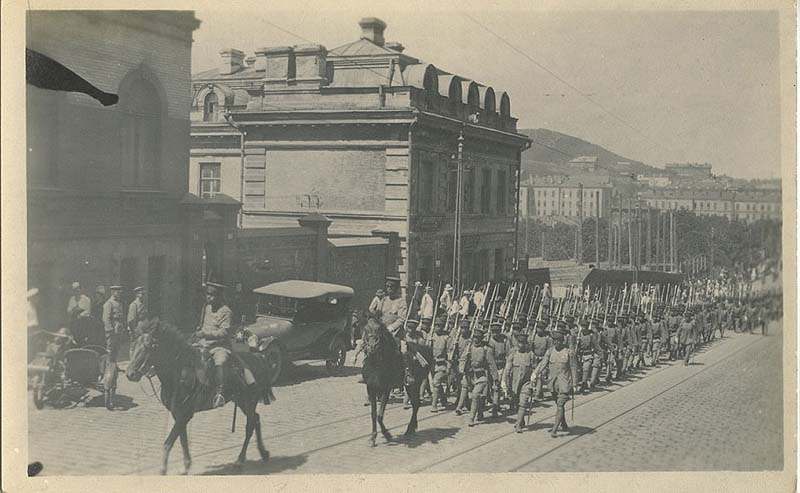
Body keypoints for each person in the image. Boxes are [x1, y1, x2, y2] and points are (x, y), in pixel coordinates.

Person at [531, 327, 578, 438]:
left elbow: (573, 368)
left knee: (560, 405)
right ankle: (563, 423)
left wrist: (575, 384)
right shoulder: (550, 351)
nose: (556, 343)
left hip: (565, 384)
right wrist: (535, 373)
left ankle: (555, 429)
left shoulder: (569, 352)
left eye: (558, 341)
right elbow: (543, 363)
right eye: (554, 340)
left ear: (562, 341)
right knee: (558, 404)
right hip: (553, 384)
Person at [195, 282, 233, 408]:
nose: (209, 297)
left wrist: (206, 334)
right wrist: (199, 332)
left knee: (220, 361)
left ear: (219, 296)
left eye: (212, 295)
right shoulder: (207, 308)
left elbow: (224, 332)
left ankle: (220, 394)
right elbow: (203, 325)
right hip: (203, 343)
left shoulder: (226, 311)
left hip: (219, 345)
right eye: (207, 294)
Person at [458, 326, 499, 427]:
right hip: (470, 375)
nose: (476, 339)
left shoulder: (486, 350)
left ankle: (471, 418)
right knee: (475, 396)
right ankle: (480, 412)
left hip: (481, 376)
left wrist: (495, 378)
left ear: (481, 338)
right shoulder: (469, 347)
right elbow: (462, 359)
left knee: (475, 395)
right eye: (475, 337)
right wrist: (462, 369)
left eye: (478, 338)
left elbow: (492, 365)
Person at [502, 332, 536, 433]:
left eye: (523, 343)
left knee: (523, 402)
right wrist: (504, 381)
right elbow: (507, 369)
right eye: (520, 342)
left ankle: (518, 424)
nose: (521, 345)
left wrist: (534, 381)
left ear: (526, 343)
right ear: (517, 343)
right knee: (516, 403)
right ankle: (521, 420)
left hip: (526, 383)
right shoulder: (513, 354)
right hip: (514, 383)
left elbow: (535, 369)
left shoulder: (530, 355)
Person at [487, 321, 510, 417]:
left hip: (501, 367)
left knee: (496, 387)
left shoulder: (504, 340)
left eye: (497, 331)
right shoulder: (489, 341)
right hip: (490, 367)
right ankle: (495, 403)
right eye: (493, 331)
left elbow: (508, 354)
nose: (495, 333)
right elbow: (489, 358)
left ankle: (495, 409)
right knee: (489, 387)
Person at [429, 317, 452, 412]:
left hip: (442, 364)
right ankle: (443, 399)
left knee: (436, 383)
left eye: (440, 326)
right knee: (437, 384)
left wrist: (449, 365)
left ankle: (434, 405)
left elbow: (450, 352)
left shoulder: (446, 338)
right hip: (433, 364)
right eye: (436, 325)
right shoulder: (431, 336)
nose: (437, 327)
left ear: (443, 327)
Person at [378, 277, 406, 341]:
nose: (389, 288)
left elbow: (401, 319)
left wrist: (392, 327)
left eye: (391, 286)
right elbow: (378, 314)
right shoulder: (384, 300)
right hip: (382, 330)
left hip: (395, 332)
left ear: (396, 288)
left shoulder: (401, 301)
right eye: (387, 286)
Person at [102, 286, 125, 361]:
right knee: (110, 348)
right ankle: (108, 364)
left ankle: (114, 364)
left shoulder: (119, 303)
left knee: (117, 347)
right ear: (112, 292)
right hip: (112, 329)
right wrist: (110, 330)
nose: (119, 294)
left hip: (118, 328)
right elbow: (106, 318)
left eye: (119, 292)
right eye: (117, 292)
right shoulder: (109, 303)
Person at [127, 287, 148, 360]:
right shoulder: (134, 305)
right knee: (134, 346)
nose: (143, 295)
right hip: (136, 328)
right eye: (141, 294)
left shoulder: (143, 304)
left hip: (143, 328)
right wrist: (133, 330)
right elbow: (131, 320)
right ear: (137, 294)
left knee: (142, 346)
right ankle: (132, 362)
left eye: (143, 294)